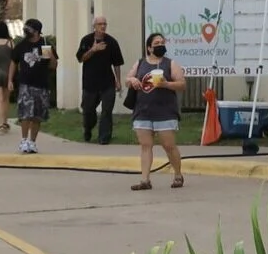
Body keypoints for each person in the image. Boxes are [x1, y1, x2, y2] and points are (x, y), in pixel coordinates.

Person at [127, 31, 186, 190]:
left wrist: (167, 84)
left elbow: (181, 84)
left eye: (162, 43)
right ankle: (145, 180)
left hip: (165, 111)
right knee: (145, 145)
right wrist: (132, 80)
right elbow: (128, 79)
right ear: (149, 48)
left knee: (169, 145)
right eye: (156, 44)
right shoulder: (140, 63)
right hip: (143, 111)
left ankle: (178, 175)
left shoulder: (170, 63)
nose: (160, 46)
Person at [75, 16, 126, 144]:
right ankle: (87, 129)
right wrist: (93, 50)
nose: (102, 26)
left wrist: (118, 81)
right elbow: (81, 58)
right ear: (94, 26)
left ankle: (104, 137)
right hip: (90, 83)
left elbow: (117, 63)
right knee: (88, 110)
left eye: (104, 24)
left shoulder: (112, 42)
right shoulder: (86, 40)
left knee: (106, 111)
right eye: (99, 24)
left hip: (107, 82)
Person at [12, 19, 57, 154]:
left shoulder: (44, 45)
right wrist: (10, 80)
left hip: (41, 84)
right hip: (25, 83)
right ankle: (24, 140)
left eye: (29, 29)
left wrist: (51, 55)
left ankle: (32, 142)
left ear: (36, 31)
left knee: (37, 115)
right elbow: (13, 62)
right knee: (25, 113)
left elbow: (52, 66)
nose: (26, 31)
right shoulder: (21, 45)